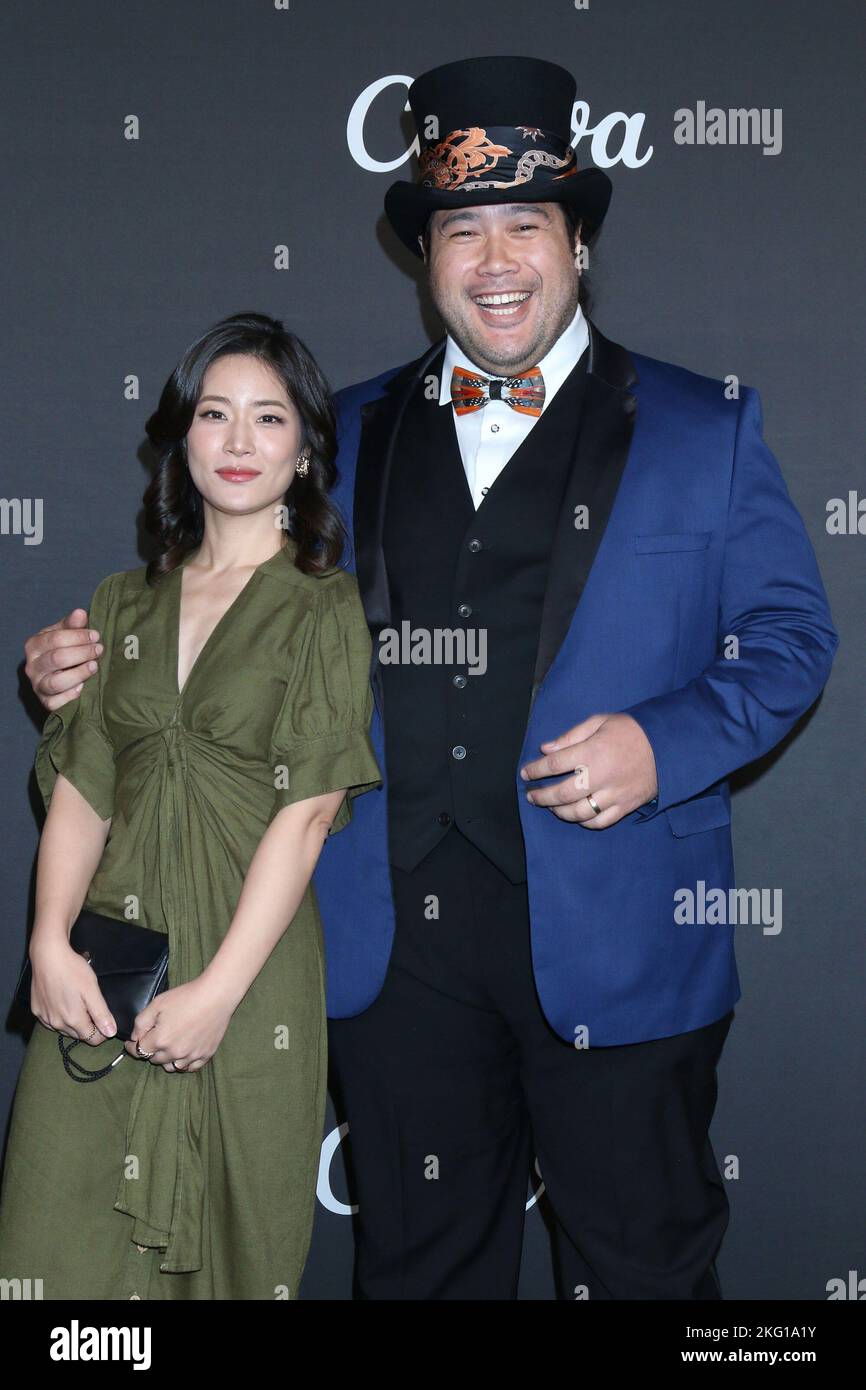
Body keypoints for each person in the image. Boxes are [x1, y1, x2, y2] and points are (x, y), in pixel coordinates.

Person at [22, 56, 839, 1301]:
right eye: (464, 229)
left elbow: (789, 641)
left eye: (526, 225)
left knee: (646, 1272)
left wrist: (664, 744)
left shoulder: (701, 425)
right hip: (385, 946)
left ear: (577, 243)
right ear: (427, 255)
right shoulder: (335, 430)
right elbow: (208, 610)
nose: (495, 259)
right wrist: (75, 663)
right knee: (417, 1276)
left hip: (618, 939)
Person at [2, 312, 382, 1300]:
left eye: (269, 417)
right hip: (105, 965)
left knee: (232, 1252)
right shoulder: (123, 602)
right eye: (216, 414)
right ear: (182, 437)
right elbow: (85, 790)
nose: (241, 441)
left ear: (305, 448)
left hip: (246, 979)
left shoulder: (321, 607)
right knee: (55, 1243)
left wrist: (214, 996)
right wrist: (46, 944)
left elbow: (305, 815)